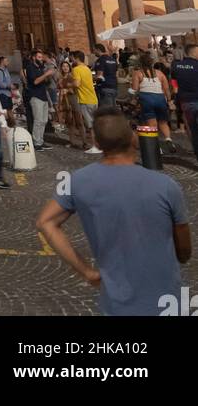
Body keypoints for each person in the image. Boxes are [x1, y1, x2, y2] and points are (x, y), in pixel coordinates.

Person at [36, 113, 191, 316]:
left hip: (116, 303)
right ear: (133, 139)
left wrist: (87, 273)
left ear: (97, 144)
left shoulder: (77, 181)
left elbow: (45, 222)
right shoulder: (166, 186)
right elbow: (184, 251)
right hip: (166, 300)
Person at [131, 51, 176, 154]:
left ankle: (157, 148)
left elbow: (134, 89)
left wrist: (131, 94)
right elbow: (166, 89)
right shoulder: (160, 73)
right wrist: (169, 101)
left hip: (146, 99)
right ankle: (168, 140)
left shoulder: (138, 73)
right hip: (160, 98)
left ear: (140, 63)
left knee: (152, 125)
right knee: (163, 122)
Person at [23, 48, 57, 151]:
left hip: (43, 96)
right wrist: (46, 74)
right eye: (39, 57)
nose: (41, 59)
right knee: (38, 120)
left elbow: (44, 81)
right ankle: (36, 142)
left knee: (44, 121)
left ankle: (40, 141)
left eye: (42, 57)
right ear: (34, 58)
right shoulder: (30, 68)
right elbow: (35, 81)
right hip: (35, 96)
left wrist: (50, 75)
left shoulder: (41, 68)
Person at [171, 42, 198, 162]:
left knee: (192, 130)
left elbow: (174, 84)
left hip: (186, 101)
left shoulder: (176, 66)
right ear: (195, 52)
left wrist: (176, 97)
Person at [70, 51, 101, 153]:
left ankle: (95, 146)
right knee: (94, 123)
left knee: (90, 125)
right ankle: (98, 145)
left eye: (72, 58)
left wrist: (67, 84)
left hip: (85, 99)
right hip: (93, 98)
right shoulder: (87, 68)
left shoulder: (76, 69)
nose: (71, 60)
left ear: (76, 58)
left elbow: (77, 84)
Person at [93, 44, 119, 113]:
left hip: (105, 88)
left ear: (98, 50)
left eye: (94, 50)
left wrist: (91, 77)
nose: (94, 52)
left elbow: (100, 76)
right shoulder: (113, 59)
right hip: (114, 87)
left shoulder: (100, 60)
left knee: (107, 111)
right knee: (113, 109)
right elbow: (116, 74)